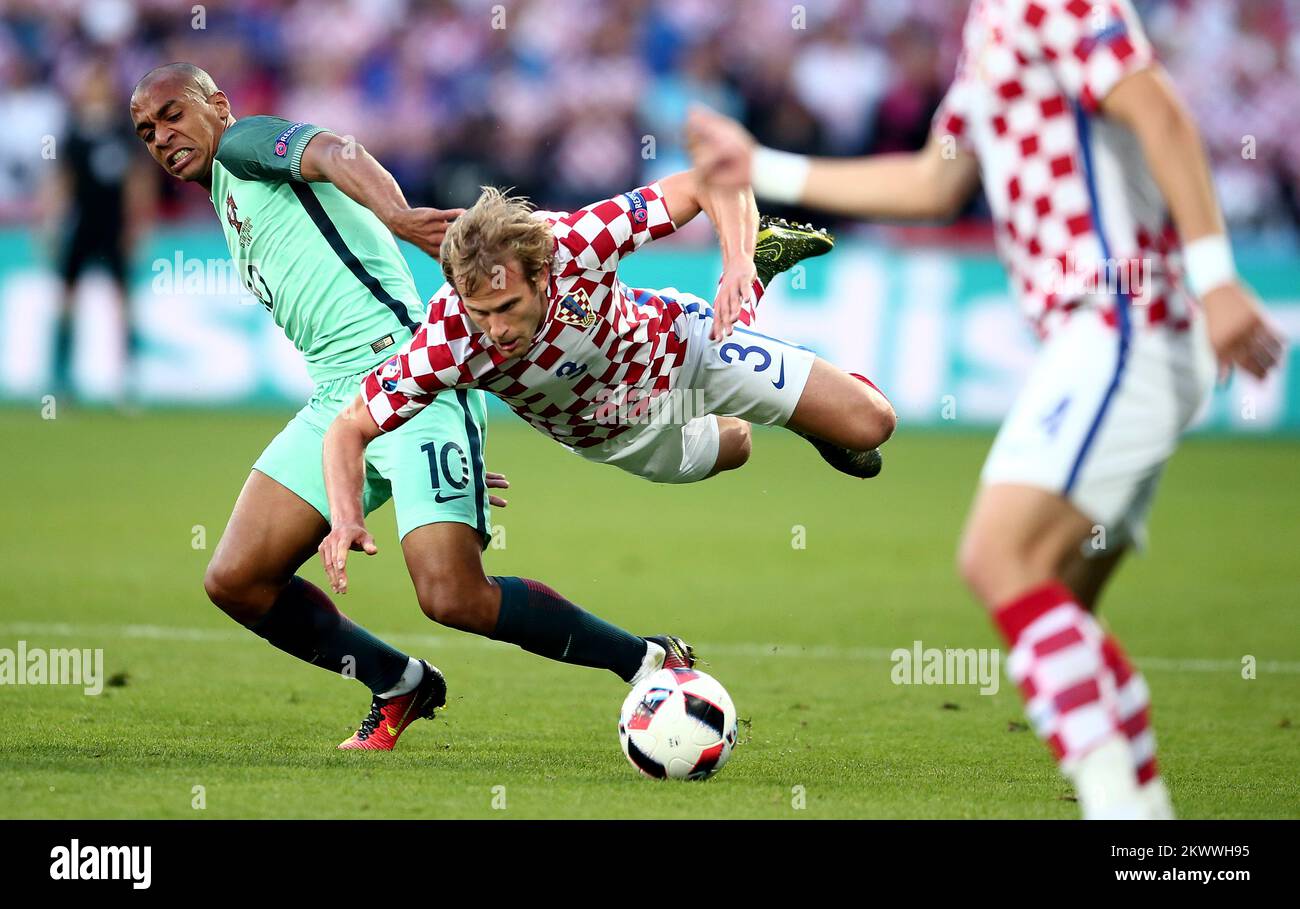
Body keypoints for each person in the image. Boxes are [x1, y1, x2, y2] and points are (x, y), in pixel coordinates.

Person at [686, 0, 1284, 819]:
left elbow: (1157, 109)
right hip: (1102, 333)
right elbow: (936, 180)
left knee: (1000, 559)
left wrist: (1216, 276)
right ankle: (1145, 821)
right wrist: (765, 169)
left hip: (1119, 316)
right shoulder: (990, 29)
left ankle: (1133, 825)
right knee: (1055, 603)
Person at [130, 63, 692, 752]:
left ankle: (645, 659)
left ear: (215, 105)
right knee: (238, 579)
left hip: (406, 378)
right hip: (340, 401)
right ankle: (400, 681)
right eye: (146, 131)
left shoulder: (246, 143)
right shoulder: (227, 196)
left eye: (172, 114)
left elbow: (339, 152)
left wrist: (398, 217)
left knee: (453, 596)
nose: (161, 136)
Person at [318, 178, 896, 598]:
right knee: (738, 444)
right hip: (623, 435)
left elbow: (711, 179)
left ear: (542, 274)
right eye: (479, 311)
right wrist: (347, 518)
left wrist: (737, 260)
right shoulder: (446, 343)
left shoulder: (576, 241)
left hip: (689, 347)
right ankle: (782, 390)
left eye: (508, 307)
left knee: (873, 424)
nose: (495, 328)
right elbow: (349, 428)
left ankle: (761, 287)